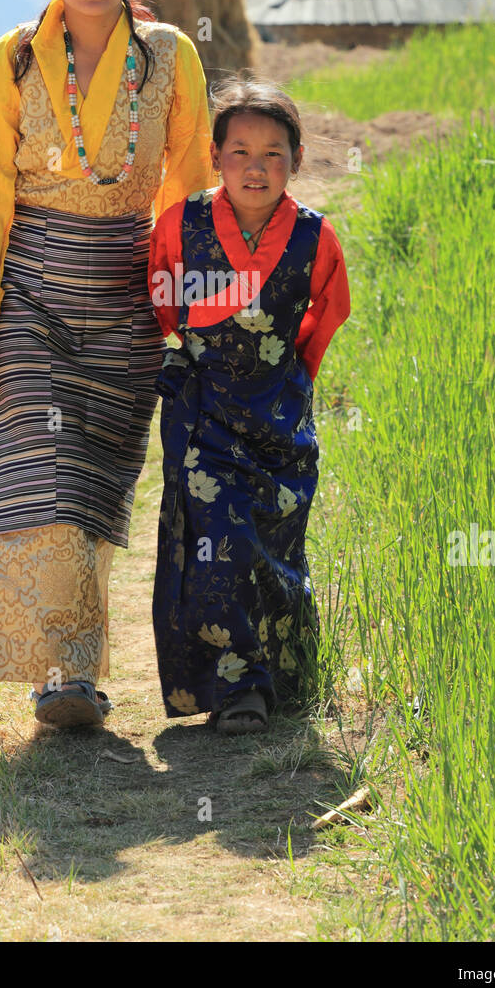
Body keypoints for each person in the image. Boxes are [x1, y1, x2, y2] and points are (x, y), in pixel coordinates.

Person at [0, 0, 215, 729]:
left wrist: (191, 298)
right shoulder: (12, 60)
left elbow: (190, 189)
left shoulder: (169, 58)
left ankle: (72, 666)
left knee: (91, 488)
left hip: (128, 300)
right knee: (41, 479)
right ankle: (65, 675)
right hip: (33, 297)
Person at [148, 80, 350, 734]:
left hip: (282, 417)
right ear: (215, 157)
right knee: (220, 538)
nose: (255, 167)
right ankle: (240, 687)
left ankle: (289, 678)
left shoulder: (317, 239)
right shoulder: (182, 223)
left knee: (276, 548)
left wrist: (287, 381)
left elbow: (326, 317)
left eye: (273, 152)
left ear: (296, 160)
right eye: (239, 151)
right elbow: (162, 301)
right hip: (205, 412)